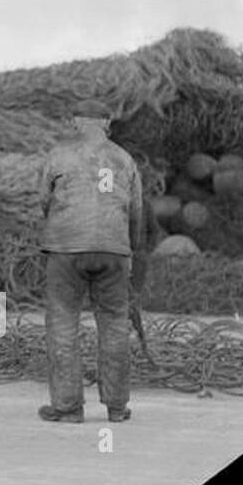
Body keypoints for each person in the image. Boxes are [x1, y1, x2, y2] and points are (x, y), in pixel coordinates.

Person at [36, 97, 144, 424]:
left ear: (75, 123)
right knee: (114, 325)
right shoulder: (124, 160)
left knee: (63, 323)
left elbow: (43, 201)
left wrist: (59, 228)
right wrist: (129, 250)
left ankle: (68, 408)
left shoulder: (59, 156)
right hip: (113, 252)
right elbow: (136, 213)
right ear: (107, 126)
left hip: (66, 251)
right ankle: (116, 407)